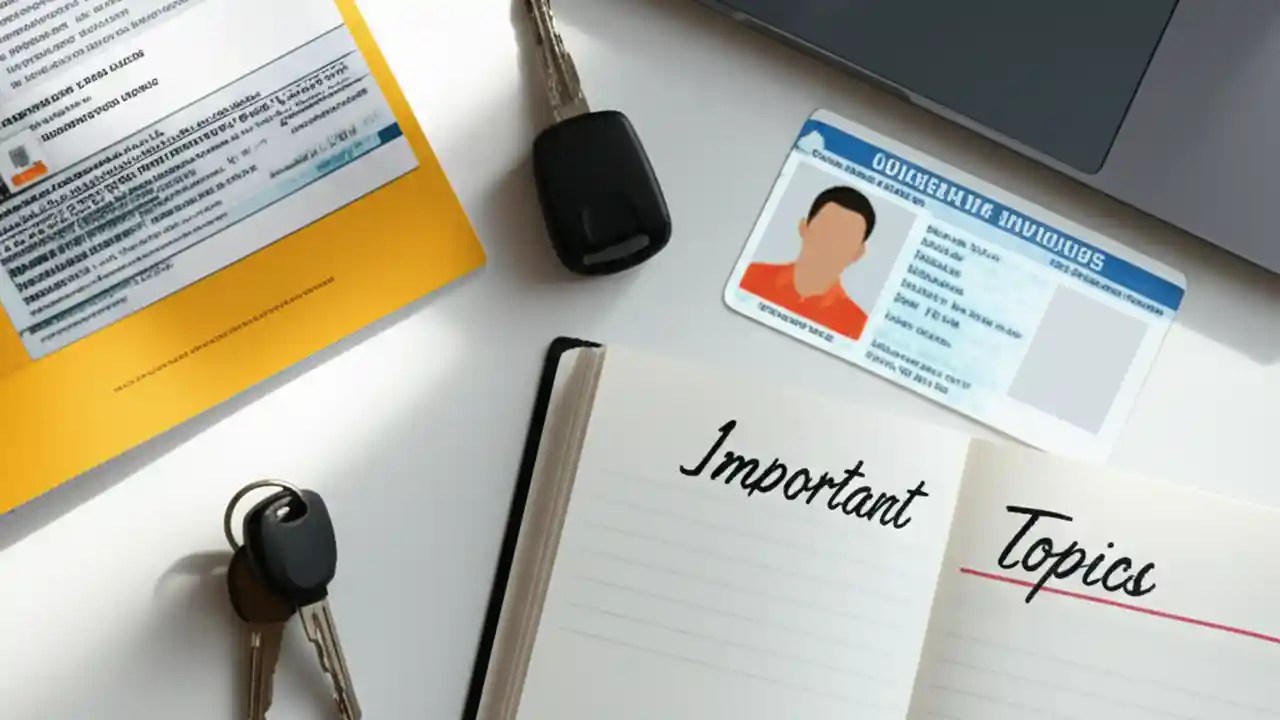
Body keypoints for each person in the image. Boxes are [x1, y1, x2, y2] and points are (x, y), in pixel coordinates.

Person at [740, 186, 877, 340]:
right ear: (804, 227)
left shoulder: (858, 327)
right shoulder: (749, 276)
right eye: (826, 228)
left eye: (845, 236)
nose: (831, 243)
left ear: (858, 253)